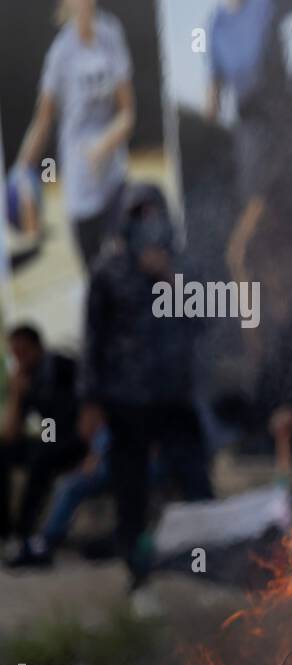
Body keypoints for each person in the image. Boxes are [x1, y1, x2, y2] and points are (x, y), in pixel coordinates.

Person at [80, 184, 213, 588]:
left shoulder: (183, 267)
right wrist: (90, 401)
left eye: (154, 213)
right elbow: (93, 339)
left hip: (174, 396)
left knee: (196, 482)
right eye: (139, 214)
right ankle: (138, 578)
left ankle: (207, 571)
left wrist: (169, 279)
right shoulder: (108, 271)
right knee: (131, 492)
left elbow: (205, 319)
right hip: (126, 401)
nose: (148, 223)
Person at [13, 0, 135, 271]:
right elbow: (42, 122)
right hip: (82, 190)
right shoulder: (60, 54)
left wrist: (104, 144)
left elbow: (128, 113)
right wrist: (21, 174)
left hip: (114, 176)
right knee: (98, 277)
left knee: (130, 268)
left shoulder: (111, 33)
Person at [205, 0, 292, 285]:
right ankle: (258, 324)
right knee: (263, 253)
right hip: (248, 143)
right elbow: (213, 93)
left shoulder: (265, 5)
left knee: (243, 251)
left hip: (279, 135)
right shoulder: (216, 25)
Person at [1, 324, 86, 566]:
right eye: (15, 354)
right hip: (49, 439)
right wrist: (15, 395)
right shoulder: (27, 379)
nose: (20, 359)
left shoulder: (63, 366)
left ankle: (24, 534)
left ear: (38, 348)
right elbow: (10, 434)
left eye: (24, 352)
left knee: (41, 456)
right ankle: (6, 533)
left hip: (76, 439)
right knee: (4, 452)